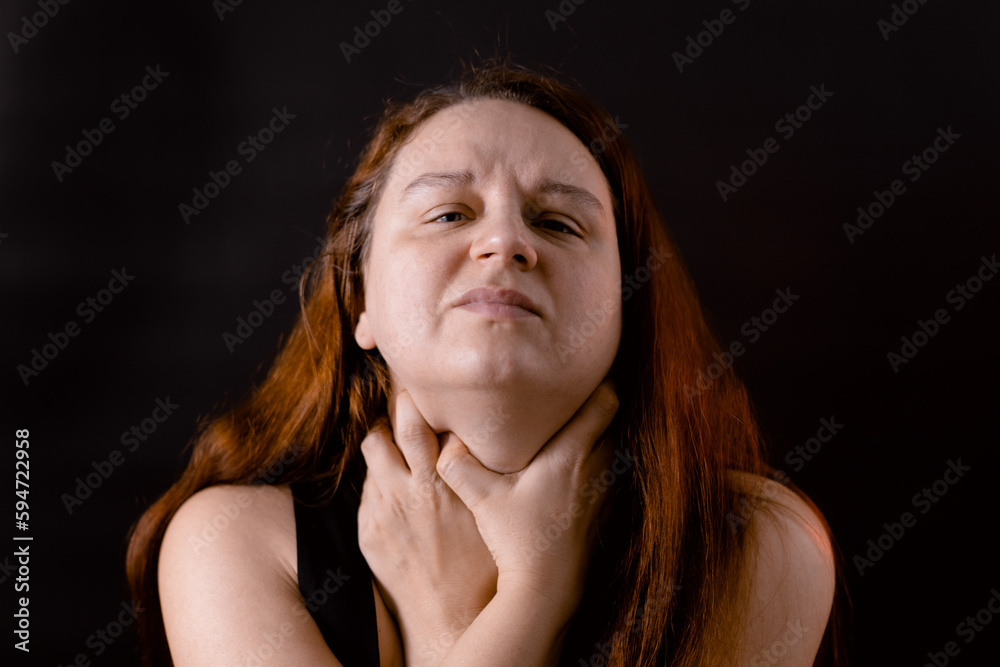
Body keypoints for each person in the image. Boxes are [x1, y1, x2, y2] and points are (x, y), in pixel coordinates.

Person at [127, 59, 845, 666]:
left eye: (559, 222)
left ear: (630, 302)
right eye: (449, 213)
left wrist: (452, 622)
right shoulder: (230, 544)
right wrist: (535, 595)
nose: (505, 242)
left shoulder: (753, 542)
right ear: (358, 301)